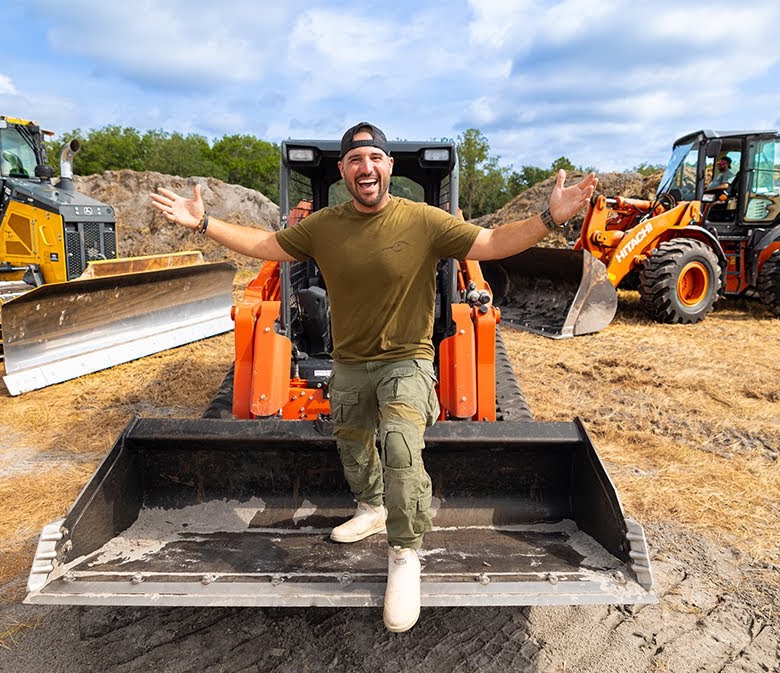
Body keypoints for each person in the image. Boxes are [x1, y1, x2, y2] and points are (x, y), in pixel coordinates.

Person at [150, 122, 597, 632]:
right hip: (349, 361)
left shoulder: (425, 221)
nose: (366, 167)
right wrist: (204, 222)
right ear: (344, 171)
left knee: (403, 449)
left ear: (389, 166)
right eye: (356, 159)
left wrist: (548, 217)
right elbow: (267, 245)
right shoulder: (323, 226)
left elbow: (493, 242)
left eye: (375, 158)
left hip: (407, 359)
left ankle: (405, 556)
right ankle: (370, 508)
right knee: (353, 442)